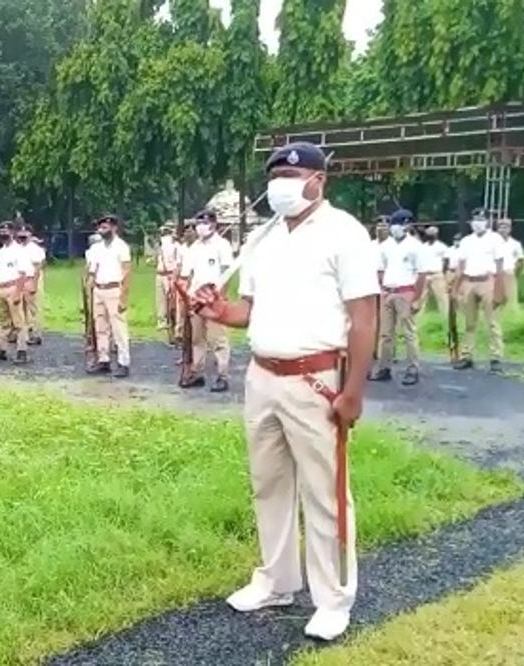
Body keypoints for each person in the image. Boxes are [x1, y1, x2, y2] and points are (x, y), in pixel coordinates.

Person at [192, 141, 377, 642]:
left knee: (325, 491)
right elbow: (247, 309)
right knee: (268, 484)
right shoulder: (264, 239)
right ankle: (276, 581)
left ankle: (333, 598)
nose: (282, 185)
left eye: (293, 176)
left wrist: (353, 392)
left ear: (320, 180)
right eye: (275, 176)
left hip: (316, 380)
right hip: (262, 376)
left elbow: (364, 318)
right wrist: (217, 311)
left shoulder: (346, 234)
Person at [178, 210, 234, 392]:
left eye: (204, 223)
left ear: (213, 224)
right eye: (198, 223)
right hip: (196, 298)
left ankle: (222, 375)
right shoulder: (194, 247)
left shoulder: (222, 245)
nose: (200, 227)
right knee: (197, 338)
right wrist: (186, 298)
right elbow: (187, 275)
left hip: (213, 298)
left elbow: (227, 274)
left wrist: (221, 298)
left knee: (218, 339)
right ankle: (197, 372)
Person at [370, 209, 424, 385]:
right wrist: (381, 289)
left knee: (409, 332)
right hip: (388, 291)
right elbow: (380, 269)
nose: (395, 228)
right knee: (386, 333)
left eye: (399, 224)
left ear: (408, 225)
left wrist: (416, 298)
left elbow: (422, 274)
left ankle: (413, 368)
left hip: (406, 291)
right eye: (393, 224)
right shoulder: (386, 246)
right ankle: (384, 367)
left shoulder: (415, 246)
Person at [452, 208, 506, 372]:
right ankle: (467, 355)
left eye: (481, 219)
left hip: (487, 280)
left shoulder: (495, 239)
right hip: (469, 281)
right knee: (469, 322)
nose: (478, 222)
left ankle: (496, 357)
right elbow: (461, 266)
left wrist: (499, 289)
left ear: (487, 221)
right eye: (475, 219)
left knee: (492, 322)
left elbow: (500, 266)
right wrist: (455, 287)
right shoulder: (466, 241)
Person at [86, 215, 132, 378]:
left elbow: (126, 272)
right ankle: (103, 359)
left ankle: (123, 362)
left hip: (114, 289)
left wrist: (124, 298)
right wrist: (89, 290)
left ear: (114, 228)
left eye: (106, 226)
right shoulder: (97, 248)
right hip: (99, 289)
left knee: (118, 328)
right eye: (101, 226)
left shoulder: (121, 247)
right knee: (100, 327)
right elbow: (92, 271)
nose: (102, 229)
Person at [0, 221, 32, 364]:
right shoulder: (0, 253)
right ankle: (1, 349)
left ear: (12, 232)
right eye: (1, 231)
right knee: (3, 322)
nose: (3, 234)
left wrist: (18, 293)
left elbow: (22, 274)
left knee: (19, 322)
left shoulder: (19, 251)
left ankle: (22, 350)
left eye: (6, 231)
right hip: (1, 288)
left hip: (14, 287)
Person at [20, 229, 46, 344]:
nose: (22, 235)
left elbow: (38, 267)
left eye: (25, 233)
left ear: (30, 234)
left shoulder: (35, 249)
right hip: (21, 279)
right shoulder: (19, 248)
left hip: (32, 279)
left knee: (34, 308)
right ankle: (23, 334)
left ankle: (36, 334)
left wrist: (34, 285)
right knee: (22, 308)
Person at [417, 226, 449, 313]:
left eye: (433, 234)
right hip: (425, 275)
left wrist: (443, 273)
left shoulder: (442, 246)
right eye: (429, 234)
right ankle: (419, 318)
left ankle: (445, 317)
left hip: (436, 274)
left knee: (442, 298)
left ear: (436, 235)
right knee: (421, 298)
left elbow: (446, 261)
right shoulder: (423, 247)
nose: (431, 236)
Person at [155, 222, 180, 333]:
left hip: (170, 273)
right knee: (161, 300)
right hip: (160, 273)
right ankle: (162, 321)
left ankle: (173, 323)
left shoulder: (176, 245)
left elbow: (177, 261)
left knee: (172, 300)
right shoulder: (161, 243)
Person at [496, 218, 524, 308]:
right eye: (501, 227)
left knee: (511, 299)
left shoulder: (515, 244)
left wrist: (515, 273)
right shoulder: (492, 242)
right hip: (494, 274)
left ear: (510, 229)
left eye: (506, 227)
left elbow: (520, 260)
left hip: (509, 272)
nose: (503, 230)